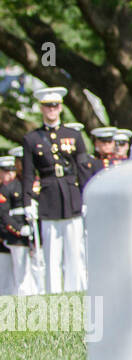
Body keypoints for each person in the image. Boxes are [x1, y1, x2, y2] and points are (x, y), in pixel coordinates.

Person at [21, 86, 88, 294]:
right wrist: (27, 202)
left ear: (60, 108)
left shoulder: (73, 135)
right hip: (49, 197)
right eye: (47, 106)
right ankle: (54, 294)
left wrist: (86, 197)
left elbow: (82, 168)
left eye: (55, 106)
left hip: (71, 195)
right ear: (42, 109)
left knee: (74, 253)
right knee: (51, 255)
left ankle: (74, 292)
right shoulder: (32, 139)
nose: (51, 110)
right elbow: (29, 173)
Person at [0, 155, 37, 296]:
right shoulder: (6, 189)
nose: (9, 175)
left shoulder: (21, 186)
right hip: (13, 234)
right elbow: (4, 215)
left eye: (11, 171)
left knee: (32, 267)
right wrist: (18, 229)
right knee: (14, 272)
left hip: (27, 233)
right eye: (6, 171)